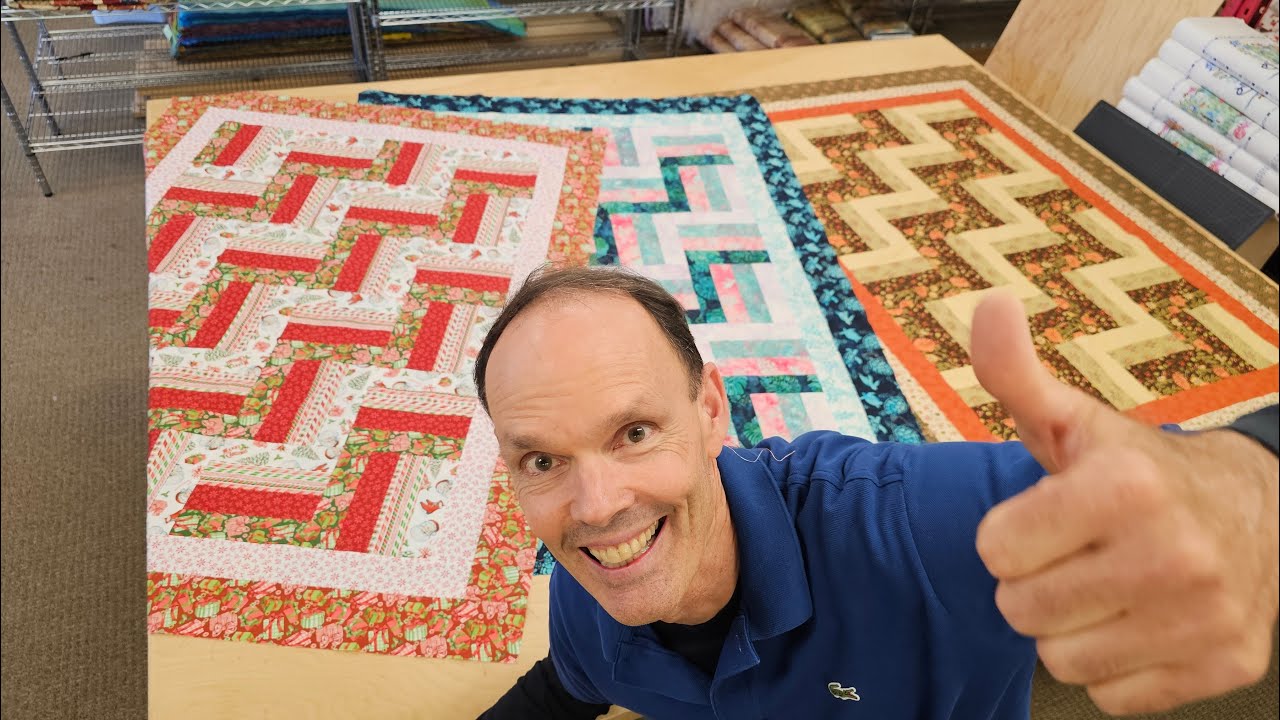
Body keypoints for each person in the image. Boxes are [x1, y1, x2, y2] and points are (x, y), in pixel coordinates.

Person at [474, 266, 1279, 719]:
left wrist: (1245, 483)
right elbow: (563, 693)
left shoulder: (907, 527)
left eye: (635, 433)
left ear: (713, 410)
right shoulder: (591, 597)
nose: (594, 506)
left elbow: (1164, 499)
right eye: (541, 461)